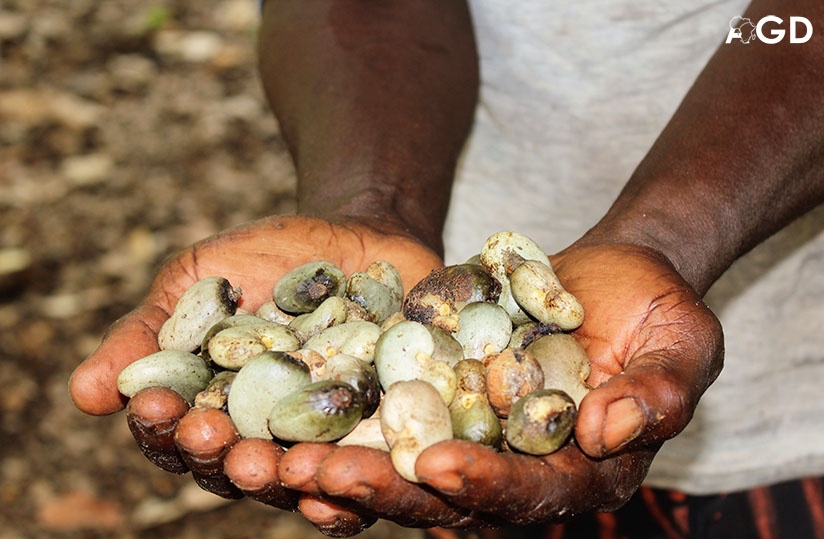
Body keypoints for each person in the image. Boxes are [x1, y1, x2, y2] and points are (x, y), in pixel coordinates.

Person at [69, 0, 824, 537]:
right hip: (464, 361)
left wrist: (665, 236)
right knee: (463, 473)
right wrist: (374, 204)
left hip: (800, 402)